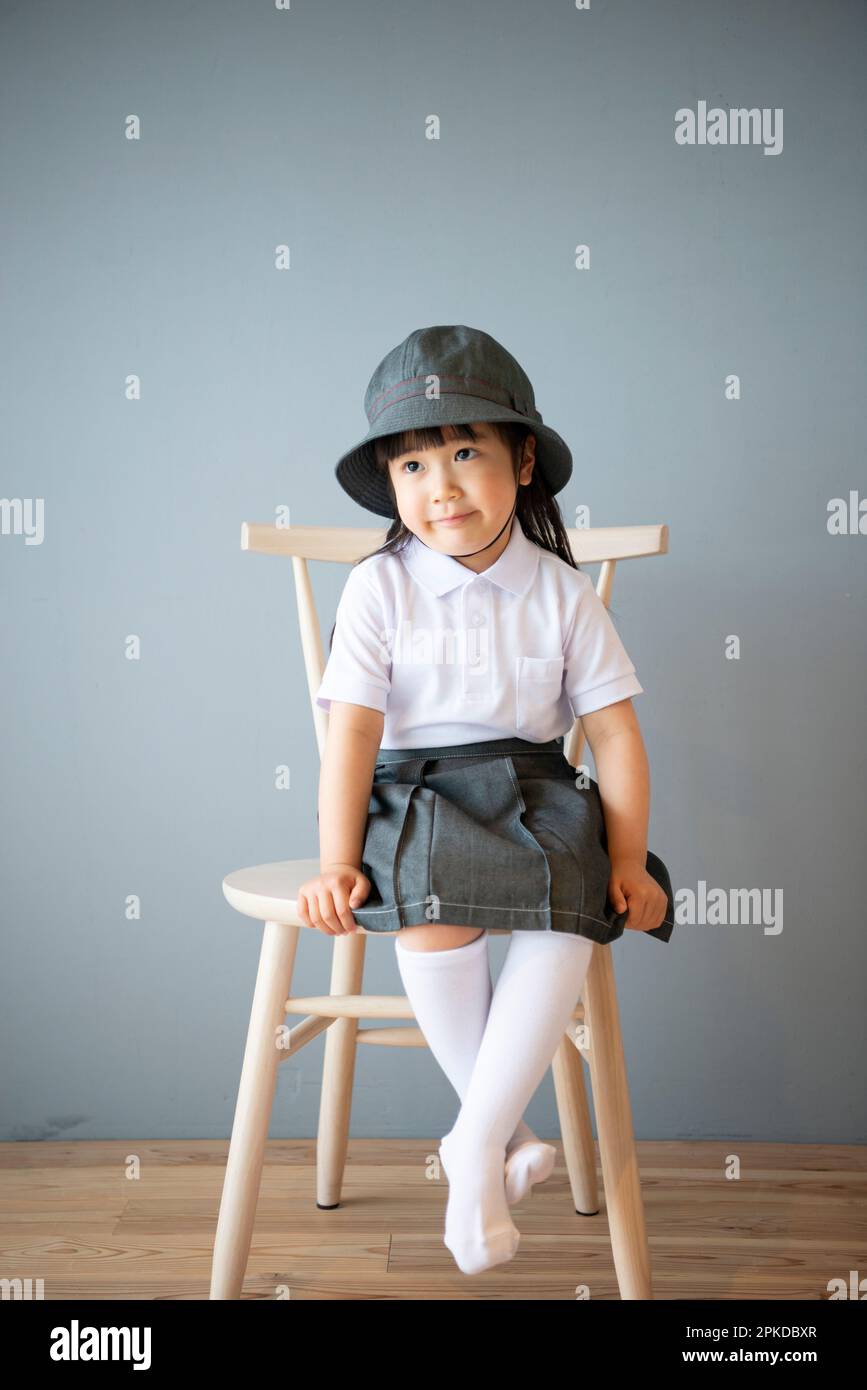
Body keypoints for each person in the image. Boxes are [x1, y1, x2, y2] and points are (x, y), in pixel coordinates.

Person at [297, 324, 677, 1277]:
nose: (442, 486)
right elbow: (349, 734)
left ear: (524, 461)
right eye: (414, 464)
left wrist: (628, 861)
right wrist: (336, 859)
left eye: (465, 452)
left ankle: (476, 1141)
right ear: (390, 484)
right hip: (416, 788)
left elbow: (618, 736)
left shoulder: (560, 592)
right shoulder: (380, 588)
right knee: (431, 905)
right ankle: (490, 1141)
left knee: (571, 901)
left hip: (537, 783)